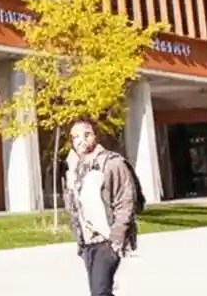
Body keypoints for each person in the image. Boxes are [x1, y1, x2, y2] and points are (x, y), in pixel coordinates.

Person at [64, 116, 139, 296]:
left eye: (87, 134)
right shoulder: (75, 168)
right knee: (100, 291)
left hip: (107, 240)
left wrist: (116, 239)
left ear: (96, 136)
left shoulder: (113, 163)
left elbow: (126, 202)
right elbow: (74, 207)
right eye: (75, 137)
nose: (81, 141)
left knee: (100, 292)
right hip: (87, 243)